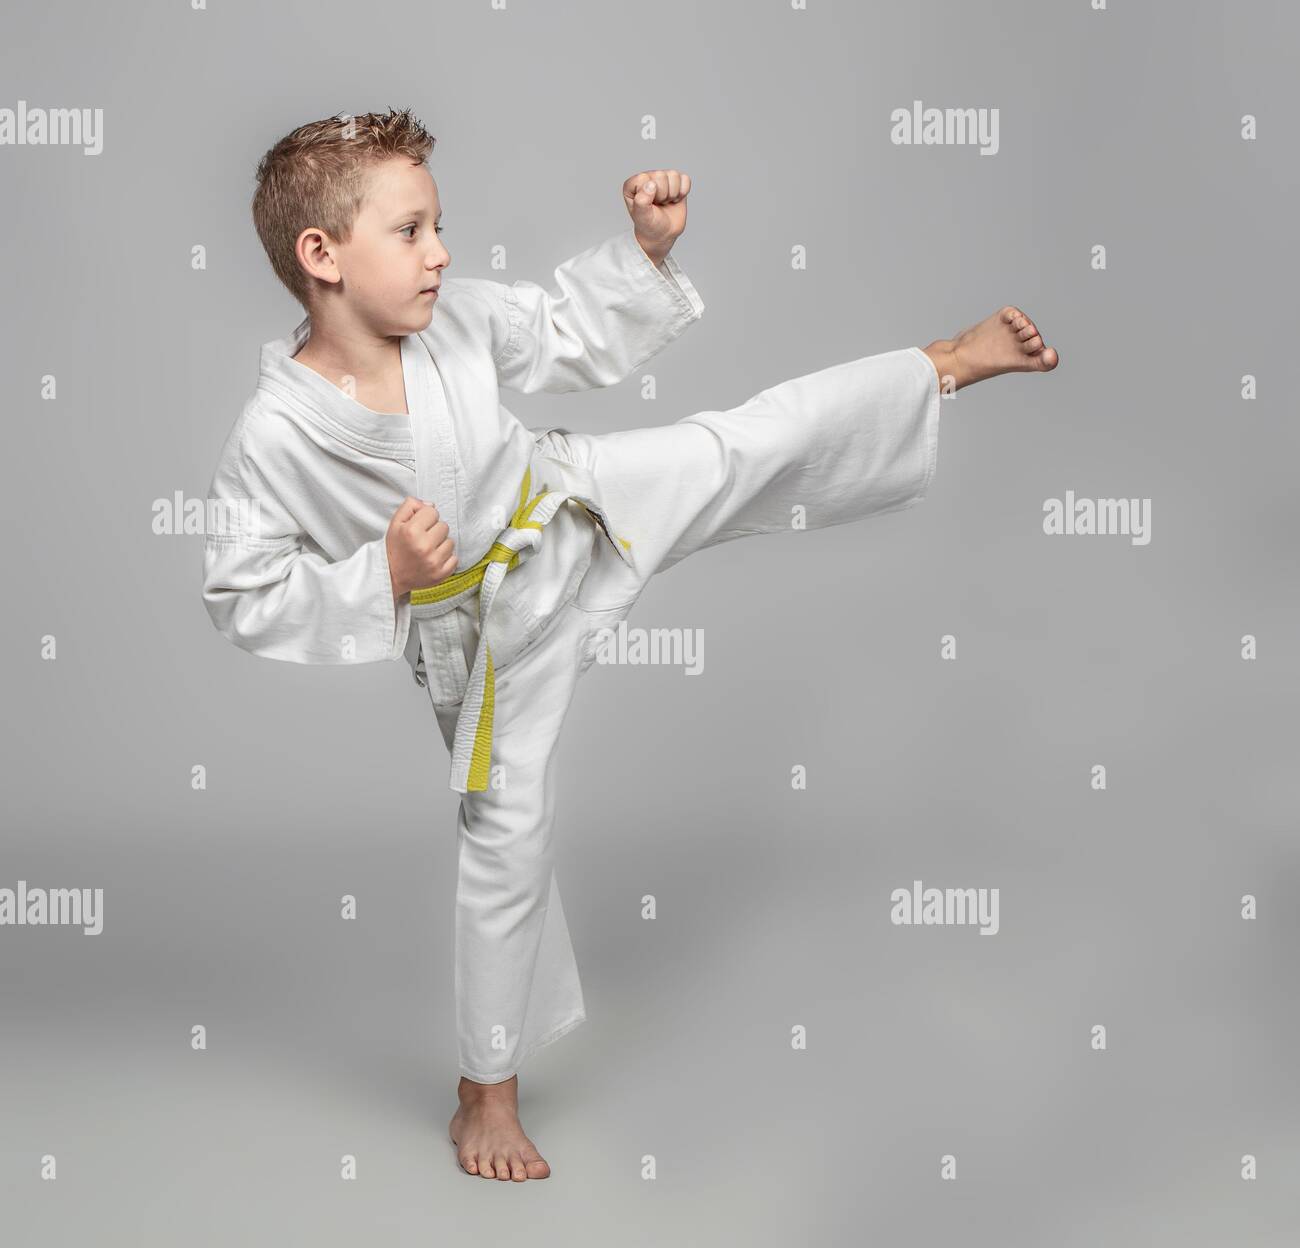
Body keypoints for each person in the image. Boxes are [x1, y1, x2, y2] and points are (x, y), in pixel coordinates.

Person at [201, 107, 1058, 1183]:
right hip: (485, 632)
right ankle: (487, 1093)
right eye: (413, 231)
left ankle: (937, 366)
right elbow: (242, 590)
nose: (443, 253)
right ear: (320, 255)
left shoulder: (455, 320)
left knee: (739, 443)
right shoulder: (278, 432)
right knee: (505, 839)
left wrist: (645, 254)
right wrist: (382, 575)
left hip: (567, 500)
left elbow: (563, 328)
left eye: (438, 226)